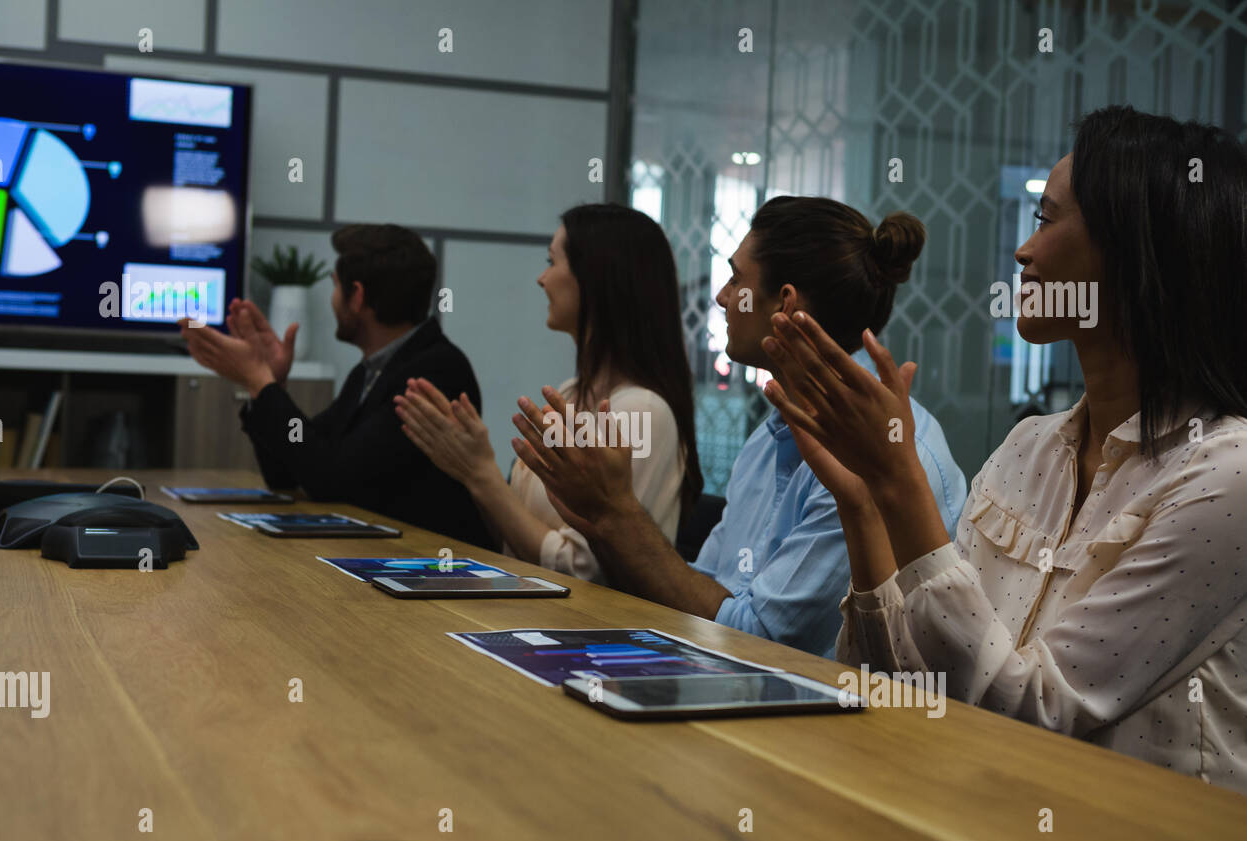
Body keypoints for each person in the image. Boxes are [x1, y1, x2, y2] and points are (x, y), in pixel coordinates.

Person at [762, 106, 1247, 793]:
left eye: (1046, 221)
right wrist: (864, 505)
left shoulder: (1226, 474)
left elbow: (1033, 714)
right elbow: (909, 691)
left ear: (1136, 249)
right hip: (987, 817)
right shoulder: (1032, 446)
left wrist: (900, 486)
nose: (1023, 251)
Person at [510, 196, 966, 656]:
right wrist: (607, 520)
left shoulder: (877, 456)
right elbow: (701, 588)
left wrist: (617, 514)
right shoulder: (770, 435)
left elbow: (761, 643)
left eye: (736, 279)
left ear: (784, 303)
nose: (721, 297)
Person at [393, 203, 701, 582]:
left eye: (552, 262)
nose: (542, 278)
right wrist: (472, 469)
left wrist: (484, 475)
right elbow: (515, 544)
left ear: (594, 278)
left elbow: (582, 572)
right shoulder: (570, 394)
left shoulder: (641, 411)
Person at [178, 224, 491, 547]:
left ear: (357, 296)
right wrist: (271, 385)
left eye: (335, 286)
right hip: (377, 558)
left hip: (428, 574)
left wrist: (260, 380)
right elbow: (291, 473)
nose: (332, 300)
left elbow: (330, 480)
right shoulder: (370, 372)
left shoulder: (434, 371)